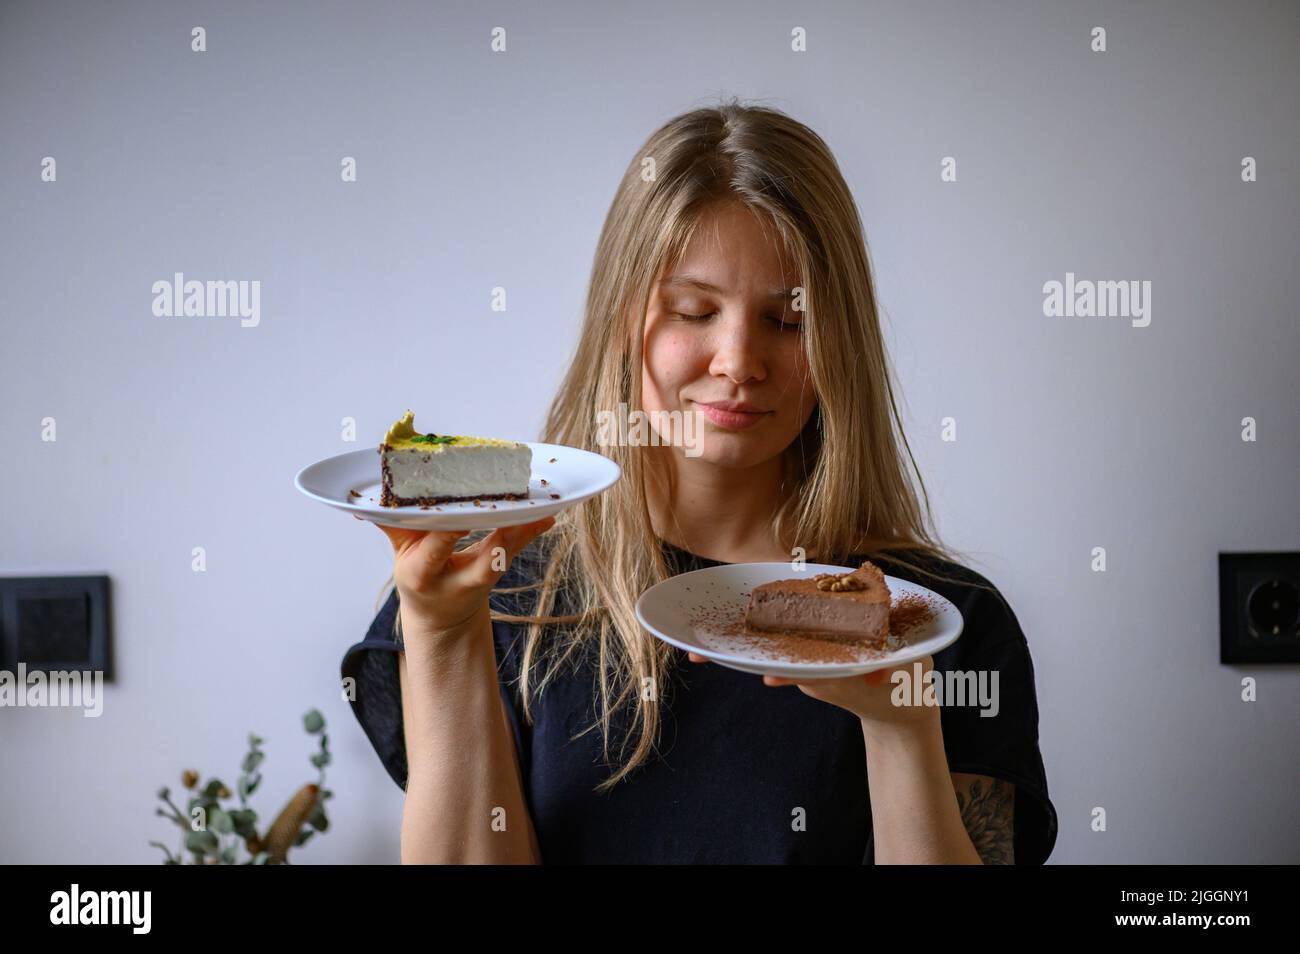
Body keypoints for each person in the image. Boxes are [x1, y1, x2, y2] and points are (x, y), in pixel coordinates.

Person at [342, 99, 1058, 864]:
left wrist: (900, 726)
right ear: (622, 317)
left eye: (789, 321)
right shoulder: (494, 589)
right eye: (693, 310)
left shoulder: (944, 627)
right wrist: (446, 638)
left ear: (840, 340)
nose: (738, 362)